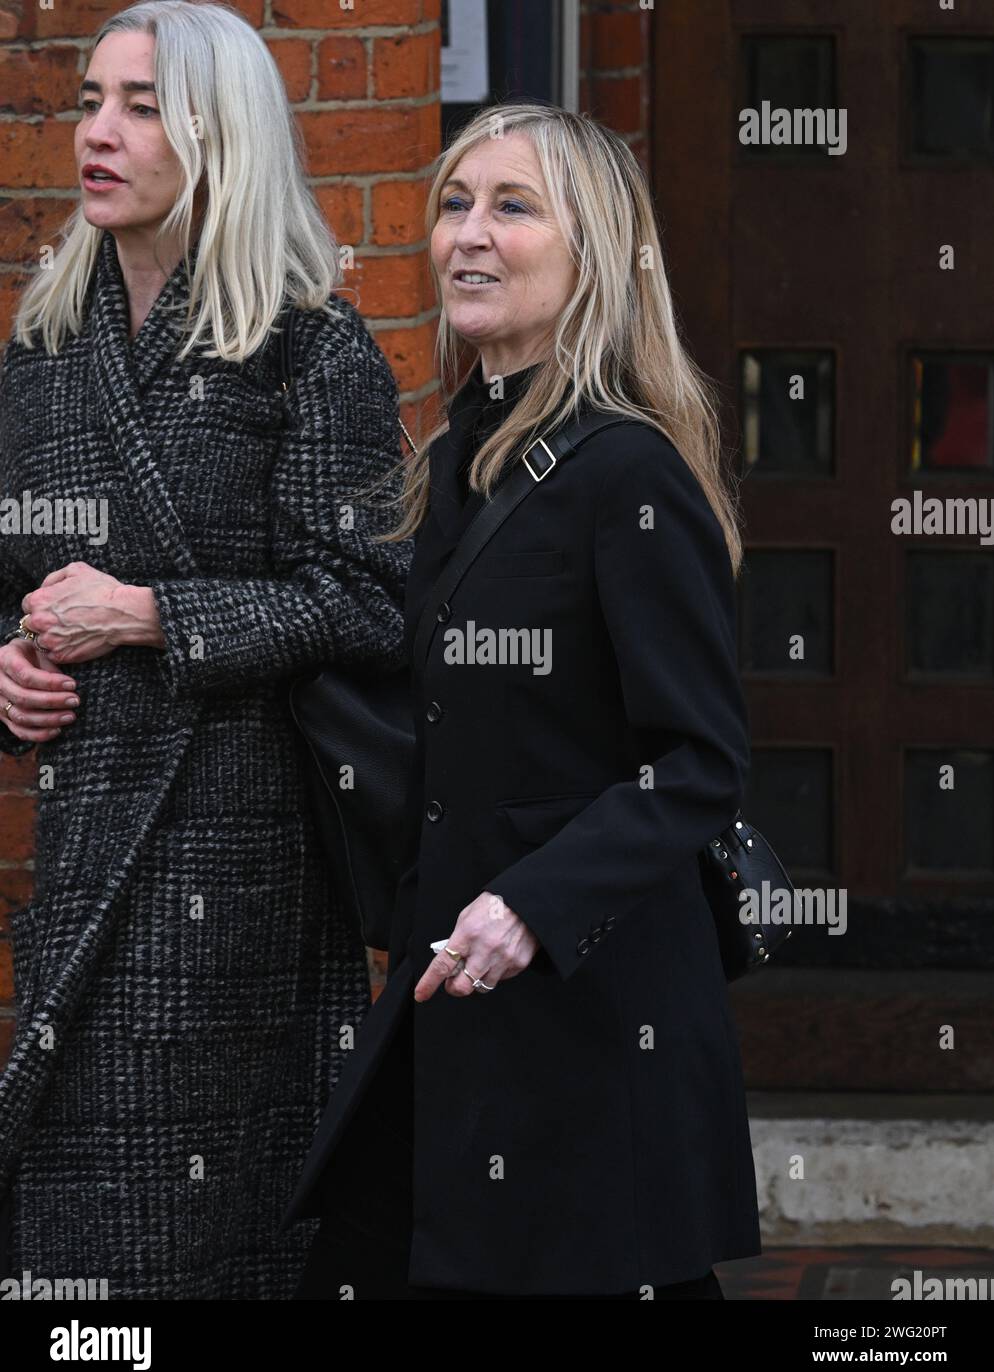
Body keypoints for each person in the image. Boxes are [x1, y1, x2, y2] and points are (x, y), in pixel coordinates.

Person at [281, 102, 761, 1299]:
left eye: (511, 206)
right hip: (457, 1001)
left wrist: (531, 906)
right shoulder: (460, 457)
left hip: (589, 1013)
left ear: (590, 252)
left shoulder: (628, 473)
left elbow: (698, 761)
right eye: (454, 204)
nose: (467, 236)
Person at [0, 0, 409, 1299]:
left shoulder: (311, 345)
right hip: (84, 866)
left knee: (225, 1242)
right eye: (88, 102)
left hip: (247, 872)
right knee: (81, 1260)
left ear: (218, 134)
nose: (98, 135)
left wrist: (154, 615)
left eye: (141, 106)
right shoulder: (42, 358)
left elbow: (364, 600)